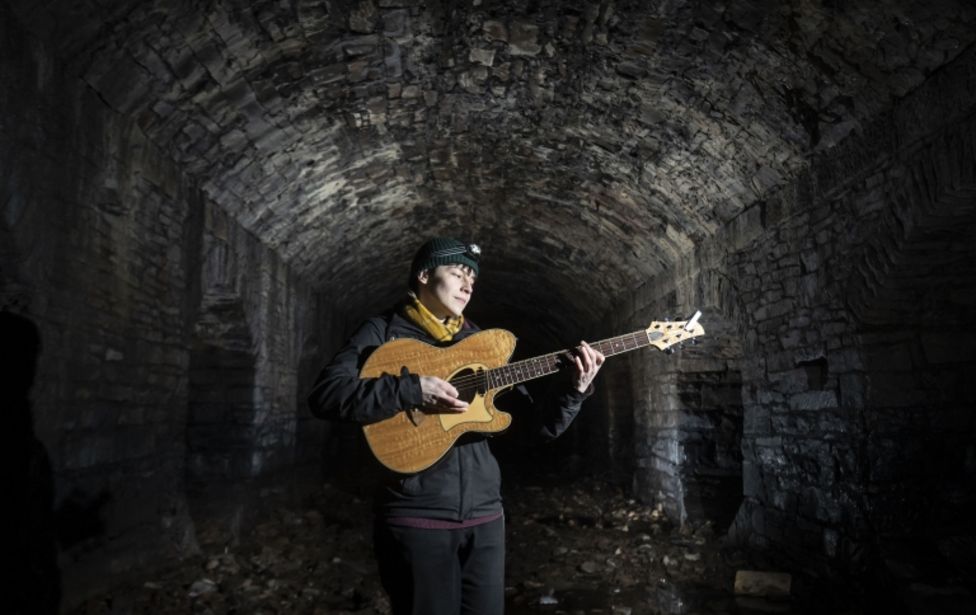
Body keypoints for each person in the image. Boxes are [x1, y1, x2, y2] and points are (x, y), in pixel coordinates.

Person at [307, 237, 605, 615]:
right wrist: (411, 389)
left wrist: (574, 391)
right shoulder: (381, 331)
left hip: (485, 517)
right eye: (457, 273)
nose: (468, 285)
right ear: (424, 274)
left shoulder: (483, 345)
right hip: (416, 516)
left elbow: (535, 429)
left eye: (473, 280)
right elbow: (327, 394)